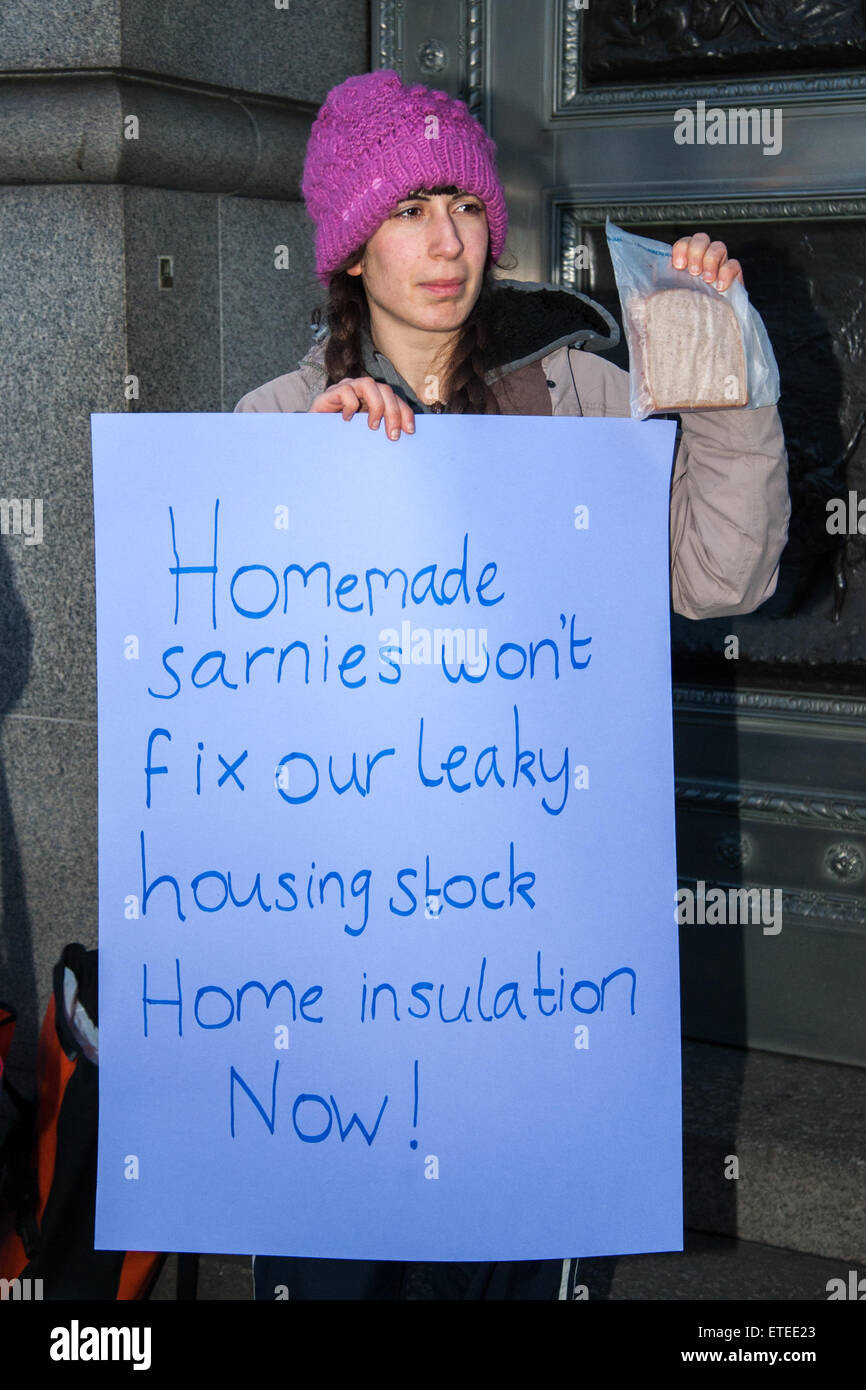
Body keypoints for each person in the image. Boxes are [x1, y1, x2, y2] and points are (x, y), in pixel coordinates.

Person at [236, 68, 789, 1300]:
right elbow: (236, 705)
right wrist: (307, 495)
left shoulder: (578, 392)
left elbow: (718, 574)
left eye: (464, 205)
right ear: (348, 247)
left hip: (530, 961)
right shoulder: (276, 418)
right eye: (407, 211)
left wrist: (721, 383)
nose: (446, 243)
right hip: (351, 976)